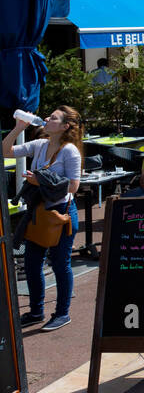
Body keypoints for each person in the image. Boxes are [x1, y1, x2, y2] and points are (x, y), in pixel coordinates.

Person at [2, 106, 83, 330]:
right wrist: (18, 127)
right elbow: (5, 151)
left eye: (53, 118)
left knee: (60, 265)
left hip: (60, 216)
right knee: (32, 264)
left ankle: (62, 313)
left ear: (65, 126)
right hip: (38, 214)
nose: (46, 119)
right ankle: (36, 312)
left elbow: (74, 186)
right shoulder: (39, 145)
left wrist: (41, 181)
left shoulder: (70, 151)